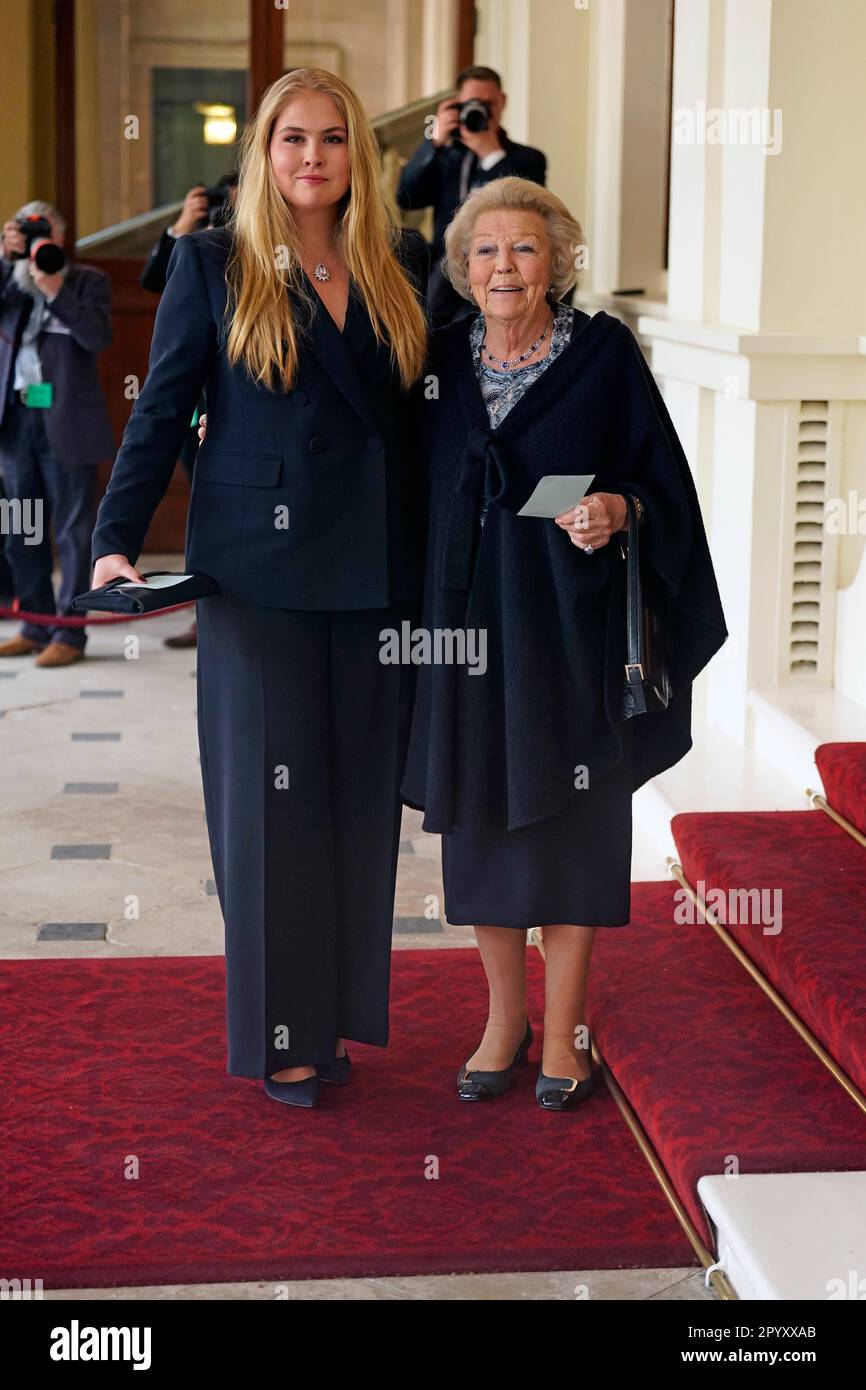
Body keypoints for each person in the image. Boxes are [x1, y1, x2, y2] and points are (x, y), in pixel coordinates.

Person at [89, 68, 430, 1110]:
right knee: (272, 810)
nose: (312, 157)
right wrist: (111, 541)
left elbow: (427, 422)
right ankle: (281, 1036)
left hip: (376, 572)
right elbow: (162, 413)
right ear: (262, 152)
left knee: (354, 807)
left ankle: (331, 1019)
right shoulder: (210, 261)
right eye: (292, 138)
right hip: (260, 572)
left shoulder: (397, 263)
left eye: (332, 138)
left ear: (357, 156)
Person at [398, 177, 729, 1111]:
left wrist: (617, 509)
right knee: (482, 831)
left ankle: (569, 1030)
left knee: (576, 832)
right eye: (488, 251)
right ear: (463, 269)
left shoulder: (603, 357)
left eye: (526, 249)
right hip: (464, 634)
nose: (506, 265)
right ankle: (505, 1022)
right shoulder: (434, 361)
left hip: (569, 632)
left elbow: (662, 484)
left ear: (559, 263)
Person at [0, 201, 114, 666]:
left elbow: (96, 337)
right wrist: (6, 259)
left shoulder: (87, 280)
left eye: (44, 233)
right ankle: (35, 623)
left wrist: (53, 289)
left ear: (60, 237)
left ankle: (69, 634)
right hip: (17, 420)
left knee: (72, 532)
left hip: (66, 420)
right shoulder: (9, 281)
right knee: (20, 530)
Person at [138, 176, 239, 651]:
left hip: (242, 413)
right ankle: (205, 609)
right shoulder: (198, 250)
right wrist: (183, 225)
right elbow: (152, 280)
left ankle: (223, 609)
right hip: (190, 408)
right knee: (206, 505)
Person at [397, 65, 546, 325]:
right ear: (456, 106)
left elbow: (528, 210)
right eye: (471, 104)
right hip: (443, 270)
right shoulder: (444, 156)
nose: (479, 111)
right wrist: (433, 142)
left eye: (487, 104)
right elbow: (406, 197)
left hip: (499, 267)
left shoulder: (527, 160)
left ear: (502, 103)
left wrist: (492, 156)